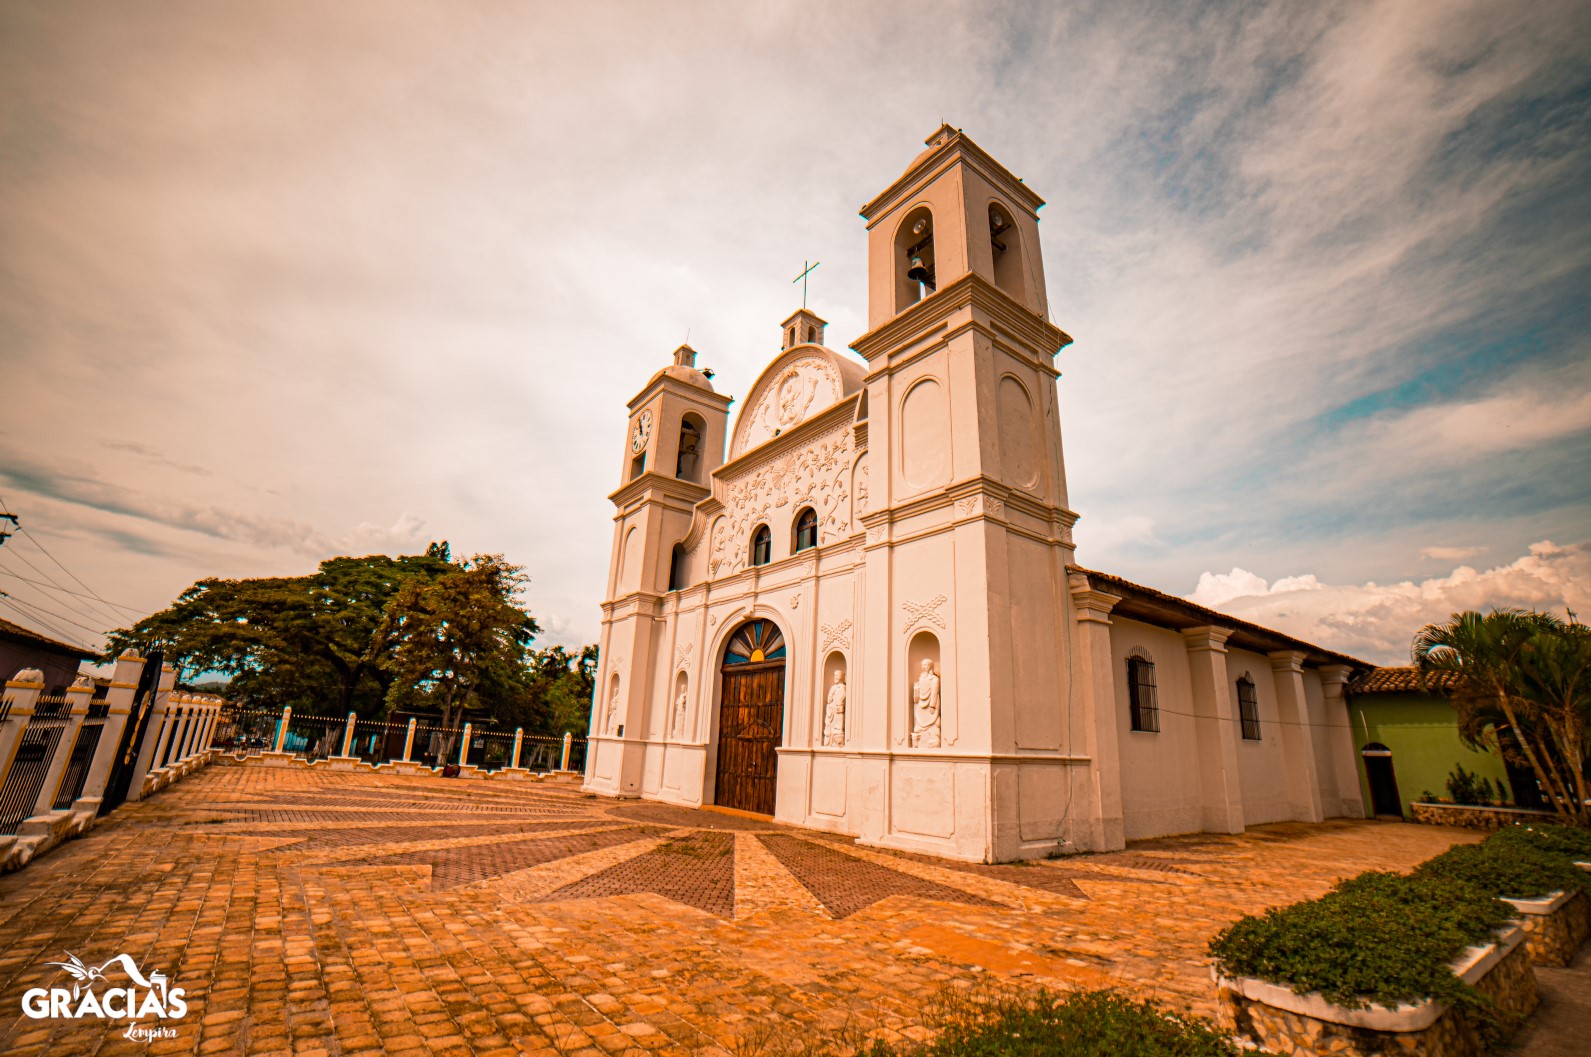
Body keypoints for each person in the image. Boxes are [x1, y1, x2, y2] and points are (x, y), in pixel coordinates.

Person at [911, 658, 941, 748]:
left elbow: (935, 692)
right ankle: (918, 740)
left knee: (932, 723)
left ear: (930, 666)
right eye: (922, 665)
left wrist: (932, 705)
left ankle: (933, 740)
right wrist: (916, 687)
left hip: (930, 706)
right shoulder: (920, 679)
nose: (923, 667)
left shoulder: (934, 679)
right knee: (919, 721)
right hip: (920, 705)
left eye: (925, 665)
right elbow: (917, 691)